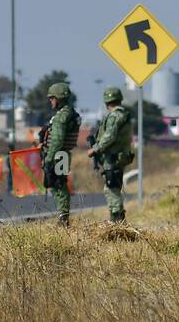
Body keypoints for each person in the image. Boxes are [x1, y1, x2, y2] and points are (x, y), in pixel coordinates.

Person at [87, 86, 135, 223]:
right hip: (121, 156)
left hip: (113, 157)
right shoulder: (125, 114)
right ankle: (118, 218)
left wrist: (95, 149)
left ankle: (117, 220)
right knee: (115, 186)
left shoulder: (114, 116)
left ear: (107, 102)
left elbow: (109, 137)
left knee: (111, 189)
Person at [41, 81, 80, 225]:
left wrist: (49, 160)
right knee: (59, 184)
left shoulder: (61, 117)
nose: (50, 101)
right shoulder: (71, 113)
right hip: (63, 155)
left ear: (59, 98)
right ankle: (63, 215)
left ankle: (63, 217)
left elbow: (57, 140)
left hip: (58, 156)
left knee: (58, 184)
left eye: (52, 98)